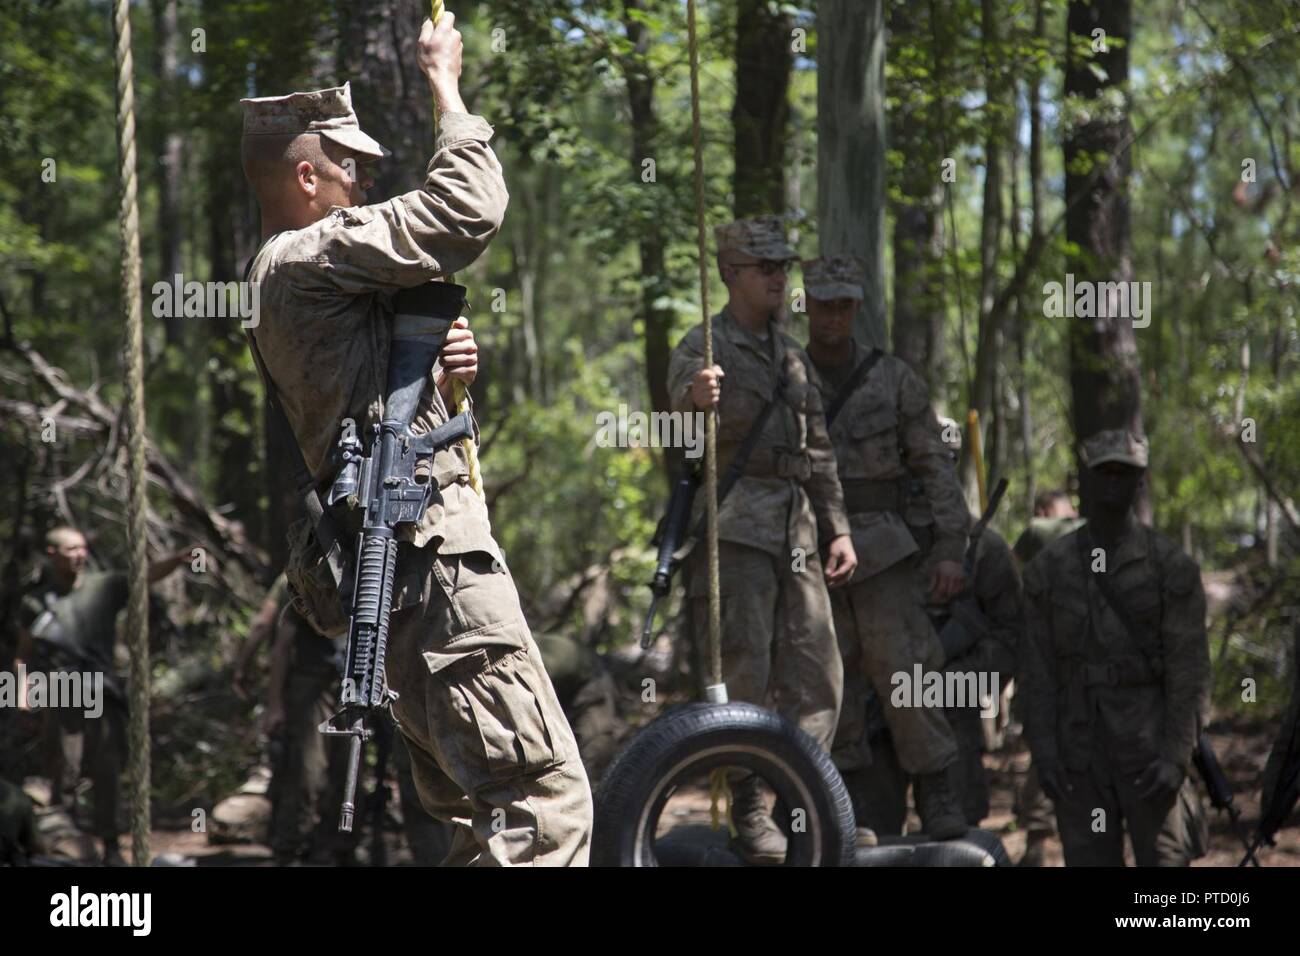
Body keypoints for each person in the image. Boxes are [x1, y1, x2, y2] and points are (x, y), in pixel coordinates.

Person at [239, 13, 591, 865]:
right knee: (545, 807)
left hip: (403, 573)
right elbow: (467, 208)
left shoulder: (288, 277)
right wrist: (445, 85)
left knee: (483, 825)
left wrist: (442, 377)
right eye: (348, 162)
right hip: (433, 568)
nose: (363, 176)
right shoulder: (305, 258)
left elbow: (369, 399)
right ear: (305, 175)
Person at [665, 218, 857, 863]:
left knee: (819, 673)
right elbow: (673, 428)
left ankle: (799, 801)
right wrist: (693, 401)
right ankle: (750, 814)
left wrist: (839, 529)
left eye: (782, 266)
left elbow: (820, 449)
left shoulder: (793, 355)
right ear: (730, 273)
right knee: (744, 671)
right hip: (736, 525)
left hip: (797, 522)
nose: (779, 277)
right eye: (764, 267)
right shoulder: (703, 347)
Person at [801, 254, 969, 840]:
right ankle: (846, 810)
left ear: (856, 307)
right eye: (823, 303)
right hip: (807, 552)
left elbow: (935, 466)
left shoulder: (893, 378)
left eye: (843, 304)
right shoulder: (785, 375)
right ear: (807, 304)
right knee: (828, 686)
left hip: (885, 551)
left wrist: (951, 544)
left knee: (909, 673)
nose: (832, 316)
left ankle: (939, 795)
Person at [1021, 429, 1209, 866]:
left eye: (1122, 474)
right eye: (1101, 472)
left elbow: (1189, 669)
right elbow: (1036, 669)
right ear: (1084, 480)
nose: (1111, 483)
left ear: (1138, 481)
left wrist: (1175, 756)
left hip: (1149, 753)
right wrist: (1044, 755)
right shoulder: (1048, 571)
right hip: (1079, 757)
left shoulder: (1169, 566)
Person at [15, 526, 190, 865]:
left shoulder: (104, 586)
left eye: (82, 548)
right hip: (61, 692)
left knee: (107, 770)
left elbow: (144, 575)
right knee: (63, 768)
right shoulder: (34, 601)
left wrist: (179, 560)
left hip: (101, 692)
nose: (80, 554)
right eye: (71, 549)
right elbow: (23, 653)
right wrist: (21, 694)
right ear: (52, 554)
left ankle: (110, 845)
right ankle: (65, 844)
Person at [1010, 488, 1081, 864]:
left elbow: (1013, 577)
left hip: (1048, 661)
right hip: (1079, 665)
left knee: (1042, 746)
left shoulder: (1037, 531)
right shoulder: (1089, 530)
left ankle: (1039, 834)